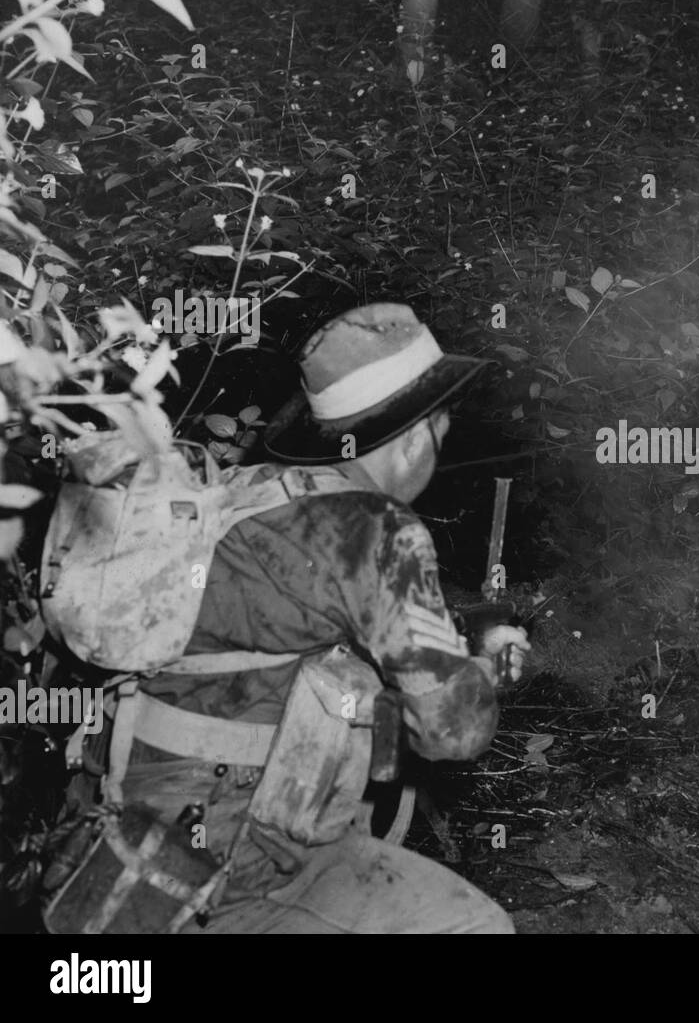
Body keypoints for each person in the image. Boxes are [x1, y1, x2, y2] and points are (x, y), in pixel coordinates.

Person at [73, 302, 526, 933]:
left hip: (117, 830)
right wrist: (484, 667)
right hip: (227, 866)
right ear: (413, 434)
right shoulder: (377, 529)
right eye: (440, 427)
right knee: (474, 927)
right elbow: (453, 732)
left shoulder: (242, 492)